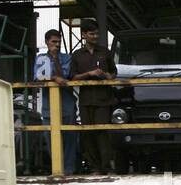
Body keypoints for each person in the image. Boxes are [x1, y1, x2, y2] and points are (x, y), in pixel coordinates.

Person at [69, 18, 120, 174]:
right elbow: (73, 77)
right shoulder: (77, 55)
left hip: (104, 99)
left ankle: (106, 166)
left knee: (102, 132)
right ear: (84, 35)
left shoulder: (104, 52)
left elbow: (114, 73)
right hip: (86, 100)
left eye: (97, 33)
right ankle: (95, 167)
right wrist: (89, 74)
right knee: (88, 133)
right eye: (92, 34)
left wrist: (107, 76)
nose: (95, 36)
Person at [32, 28, 78, 174]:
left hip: (67, 104)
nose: (56, 45)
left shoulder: (67, 58)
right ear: (47, 42)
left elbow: (66, 75)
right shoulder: (40, 58)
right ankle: (57, 169)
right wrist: (54, 78)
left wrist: (54, 65)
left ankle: (69, 169)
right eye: (53, 42)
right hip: (49, 107)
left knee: (70, 138)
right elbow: (38, 77)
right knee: (51, 138)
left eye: (58, 42)